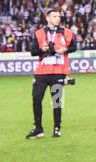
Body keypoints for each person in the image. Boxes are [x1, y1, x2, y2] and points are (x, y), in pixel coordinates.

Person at [26, 8, 76, 139]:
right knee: (36, 99)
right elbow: (33, 51)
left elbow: (74, 47)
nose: (58, 18)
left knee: (57, 101)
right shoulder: (39, 33)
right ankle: (38, 128)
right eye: (55, 16)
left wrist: (64, 49)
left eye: (59, 16)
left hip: (58, 71)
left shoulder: (66, 32)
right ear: (47, 18)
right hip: (42, 72)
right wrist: (42, 50)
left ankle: (57, 128)